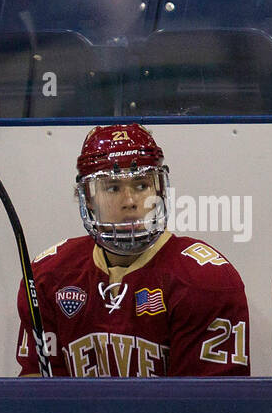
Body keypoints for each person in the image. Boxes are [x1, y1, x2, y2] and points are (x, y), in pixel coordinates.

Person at [18, 123, 250, 377]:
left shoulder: (204, 280)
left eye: (141, 185)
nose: (130, 202)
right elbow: (38, 393)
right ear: (88, 198)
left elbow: (205, 407)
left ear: (159, 189)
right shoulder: (49, 276)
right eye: (112, 188)